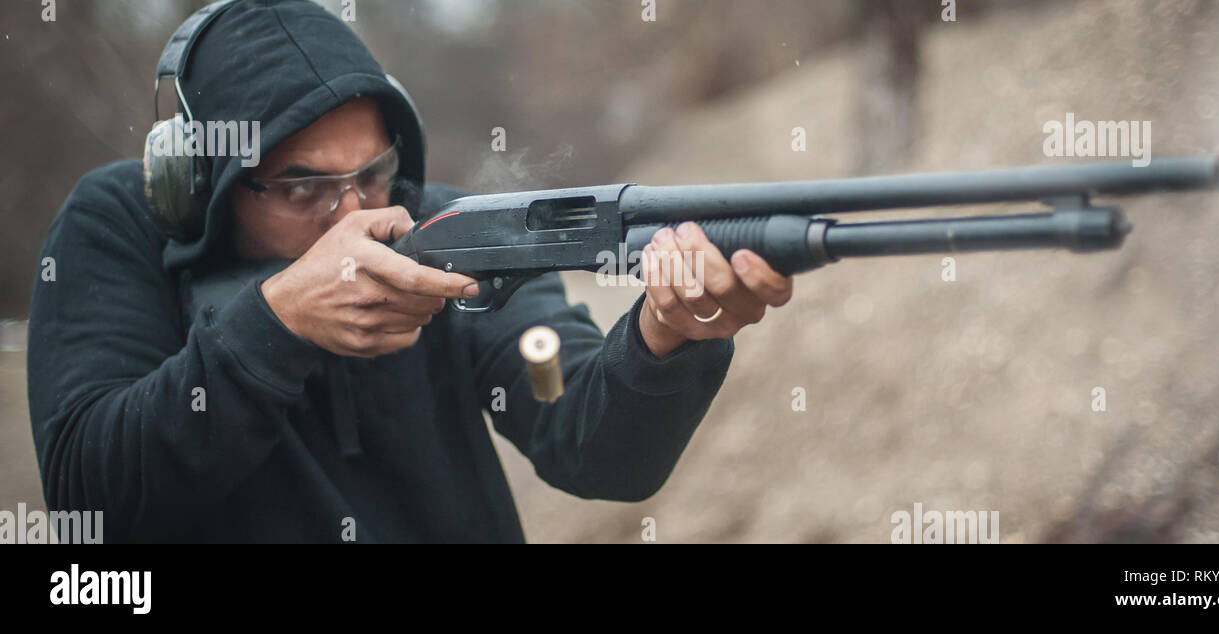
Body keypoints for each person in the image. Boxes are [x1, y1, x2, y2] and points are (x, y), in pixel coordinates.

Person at [27, 0, 793, 543]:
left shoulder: (442, 232)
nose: (355, 214)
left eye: (374, 173)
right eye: (302, 188)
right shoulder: (121, 225)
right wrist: (277, 325)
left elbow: (584, 438)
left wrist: (661, 342)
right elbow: (92, 500)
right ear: (204, 188)